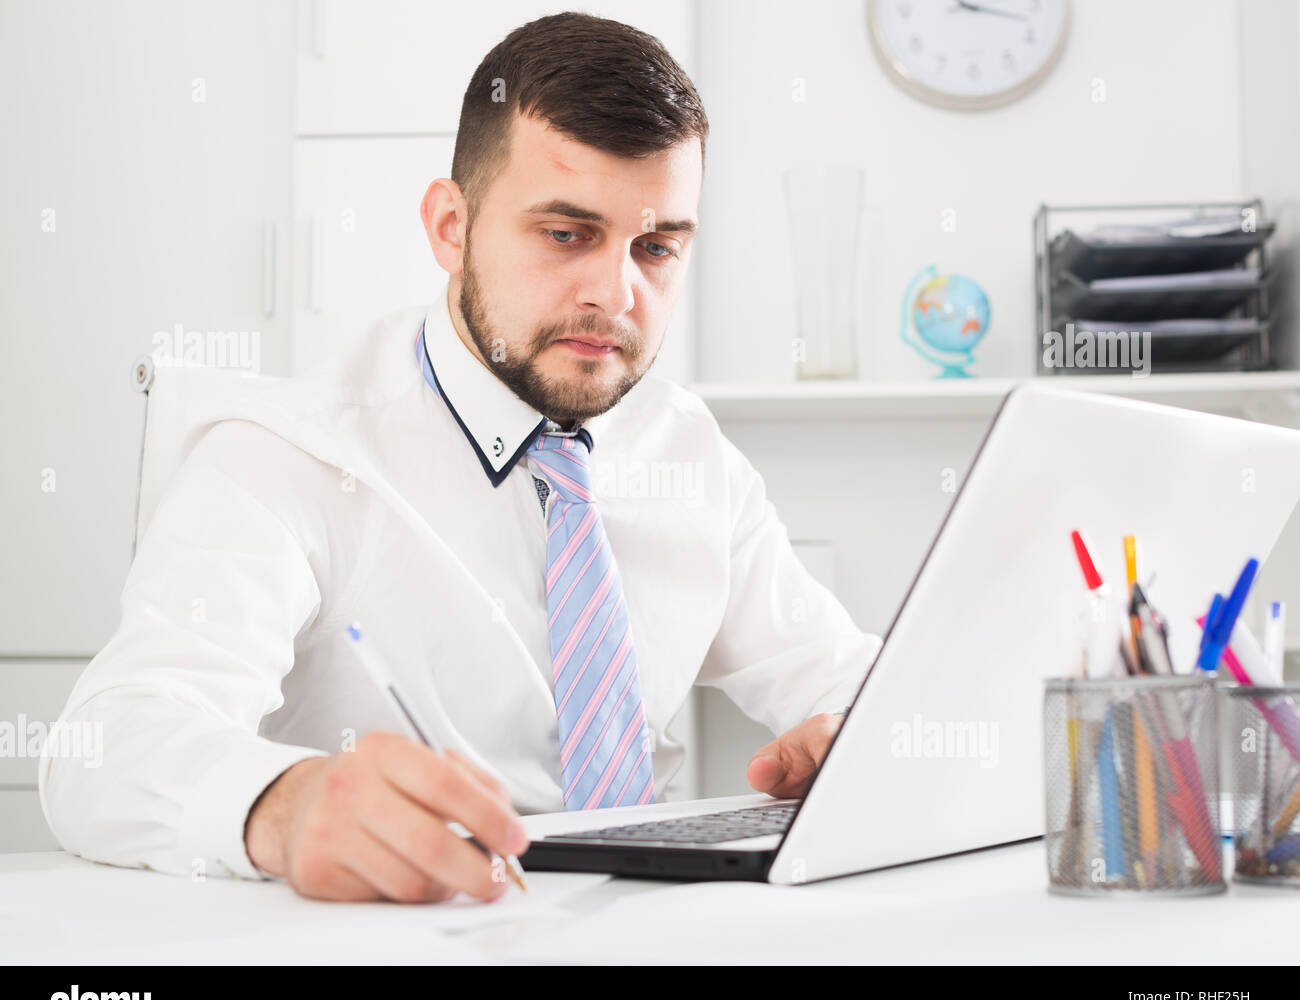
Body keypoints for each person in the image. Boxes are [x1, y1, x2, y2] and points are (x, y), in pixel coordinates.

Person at [41, 11, 881, 904]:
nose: (615, 292)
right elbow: (111, 746)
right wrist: (280, 805)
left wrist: (865, 733)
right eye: (566, 233)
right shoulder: (285, 456)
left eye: (657, 246)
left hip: (647, 930)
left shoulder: (686, 452)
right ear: (451, 225)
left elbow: (851, 680)